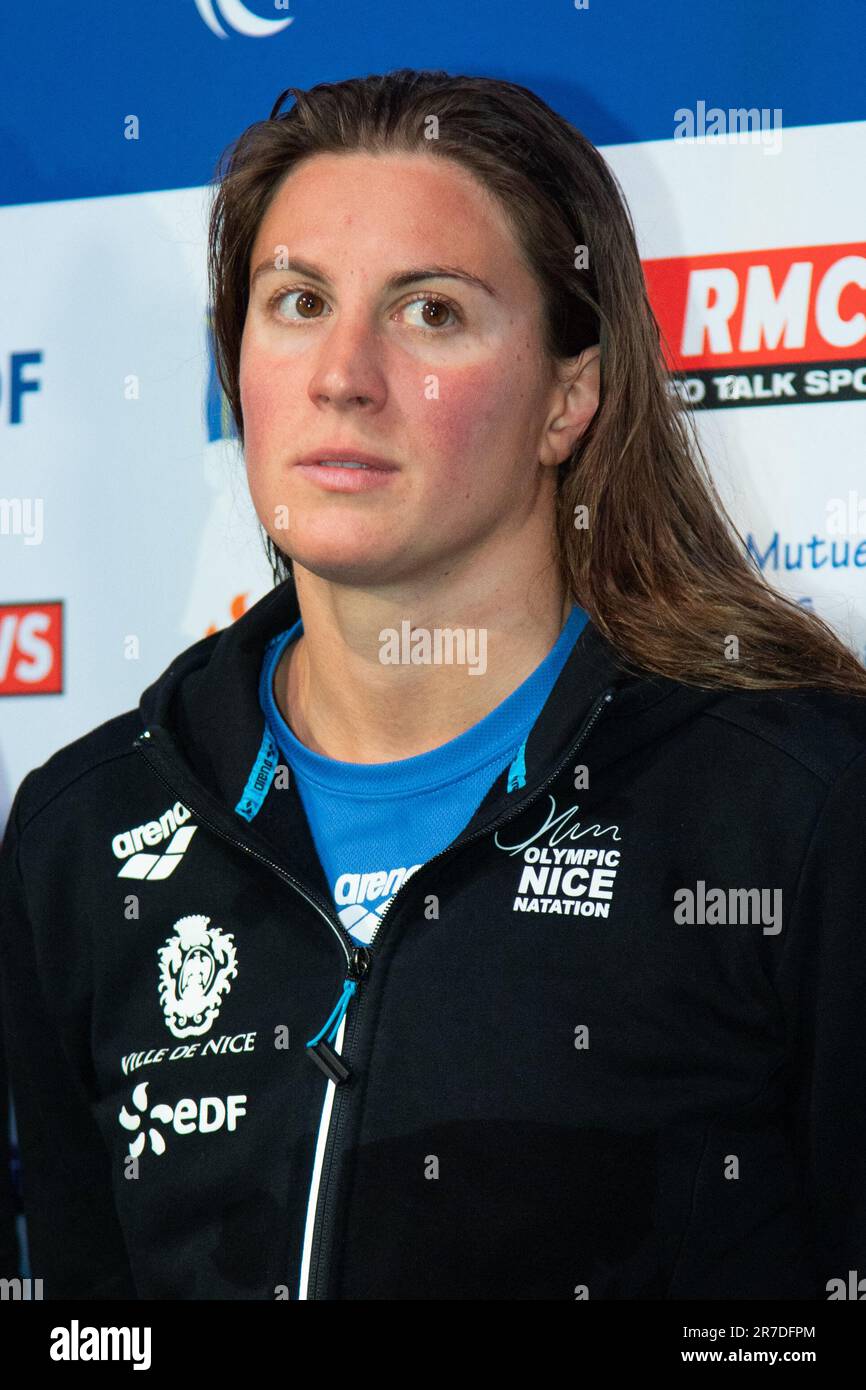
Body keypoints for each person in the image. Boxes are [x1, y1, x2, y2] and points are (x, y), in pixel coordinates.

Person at [2, 68, 866, 1302]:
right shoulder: (82, 834)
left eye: (431, 314)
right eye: (296, 301)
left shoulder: (794, 810)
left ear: (568, 396)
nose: (342, 373)